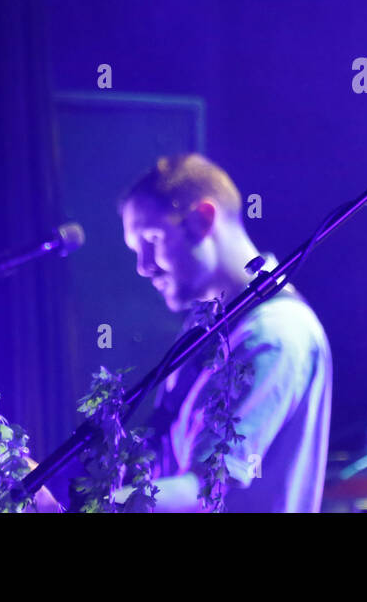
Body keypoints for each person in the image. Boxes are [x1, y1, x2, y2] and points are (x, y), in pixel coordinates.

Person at [117, 153, 332, 512]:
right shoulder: (212, 326)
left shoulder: (273, 333)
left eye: (151, 239)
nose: (143, 267)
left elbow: (207, 490)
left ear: (202, 219)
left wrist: (86, 506)